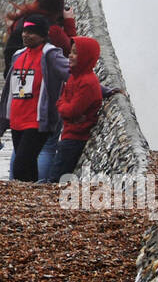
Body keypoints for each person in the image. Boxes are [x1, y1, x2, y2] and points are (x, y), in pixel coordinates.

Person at [0, 15, 69, 182]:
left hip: (37, 122)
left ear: (42, 35)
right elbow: (9, 93)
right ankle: (33, 198)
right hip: (17, 120)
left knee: (20, 166)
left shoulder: (51, 55)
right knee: (28, 166)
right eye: (25, 31)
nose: (26, 35)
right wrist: (1, 128)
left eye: (32, 32)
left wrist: (104, 90)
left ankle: (22, 200)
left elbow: (75, 75)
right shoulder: (18, 55)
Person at [52, 36, 127, 180]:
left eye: (75, 53)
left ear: (85, 56)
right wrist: (63, 106)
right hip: (69, 133)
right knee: (56, 174)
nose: (70, 56)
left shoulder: (87, 82)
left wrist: (62, 107)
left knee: (56, 177)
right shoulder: (75, 76)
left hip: (75, 137)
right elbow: (62, 103)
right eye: (71, 52)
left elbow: (71, 110)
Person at [2, 0, 76, 61]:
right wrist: (69, 21)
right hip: (38, 69)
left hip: (17, 69)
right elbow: (72, 51)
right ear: (57, 10)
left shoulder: (21, 21)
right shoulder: (53, 30)